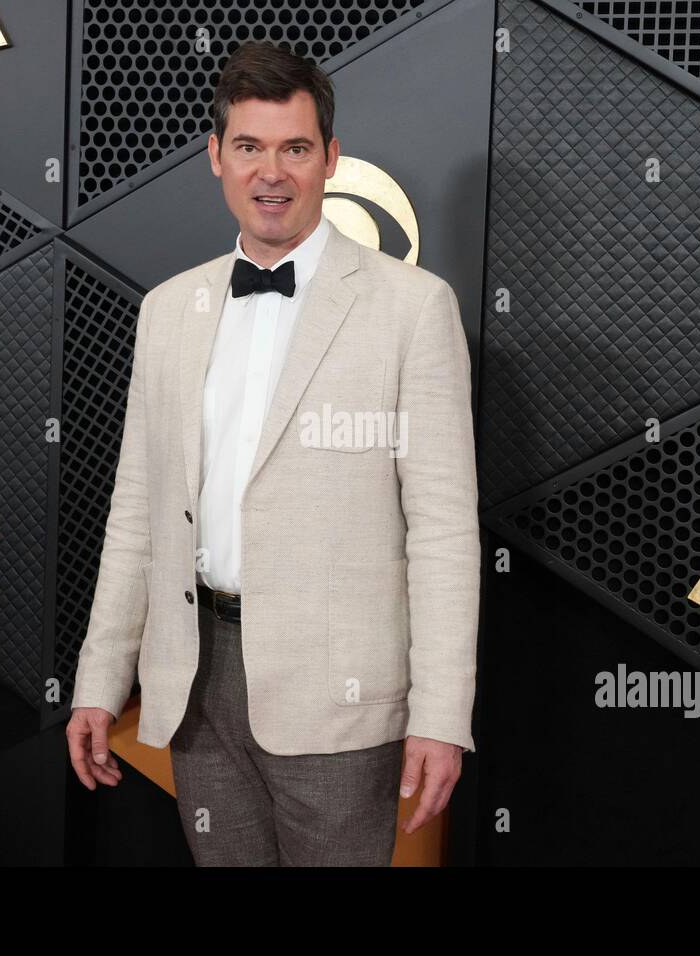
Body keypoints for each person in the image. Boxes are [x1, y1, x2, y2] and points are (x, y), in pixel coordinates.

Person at [66, 40, 479, 866]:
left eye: (295, 148)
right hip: (194, 681)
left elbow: (441, 531)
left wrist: (441, 712)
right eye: (249, 147)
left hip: (340, 698)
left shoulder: (414, 309)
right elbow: (137, 512)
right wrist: (98, 683)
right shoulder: (165, 310)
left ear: (330, 158)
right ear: (216, 156)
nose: (272, 173)